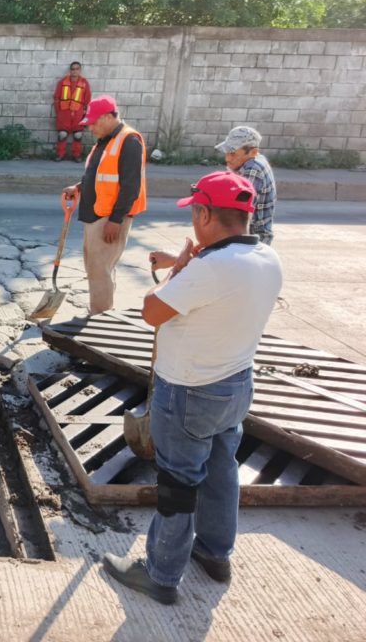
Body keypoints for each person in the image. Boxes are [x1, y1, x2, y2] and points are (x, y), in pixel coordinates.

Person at [103, 171, 283, 605]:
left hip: (189, 391)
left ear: (204, 213)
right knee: (222, 468)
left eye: (194, 213)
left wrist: (180, 268)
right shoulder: (266, 258)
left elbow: (151, 312)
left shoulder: (209, 268)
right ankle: (215, 553)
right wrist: (193, 265)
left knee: (178, 483)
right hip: (236, 385)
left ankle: (162, 577)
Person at [62, 95, 146, 315]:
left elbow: (130, 186)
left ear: (108, 117)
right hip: (97, 214)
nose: (90, 128)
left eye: (93, 122)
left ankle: (99, 317)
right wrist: (79, 187)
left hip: (109, 218)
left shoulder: (129, 141)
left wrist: (115, 220)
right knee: (97, 267)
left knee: (100, 270)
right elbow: (101, 173)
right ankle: (102, 312)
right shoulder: (108, 139)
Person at [216, 125, 276, 245]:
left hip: (253, 238)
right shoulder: (252, 160)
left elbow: (238, 212)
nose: (227, 158)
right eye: (227, 152)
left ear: (253, 152)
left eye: (233, 153)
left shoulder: (253, 170)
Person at [52, 61, 91, 162]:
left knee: (78, 135)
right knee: (62, 135)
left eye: (77, 69)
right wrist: (59, 113)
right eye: (73, 69)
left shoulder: (84, 83)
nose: (74, 71)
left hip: (78, 113)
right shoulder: (62, 82)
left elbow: (87, 101)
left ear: (80, 70)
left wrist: (85, 116)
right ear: (70, 70)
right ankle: (60, 154)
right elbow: (56, 98)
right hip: (64, 114)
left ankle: (77, 155)